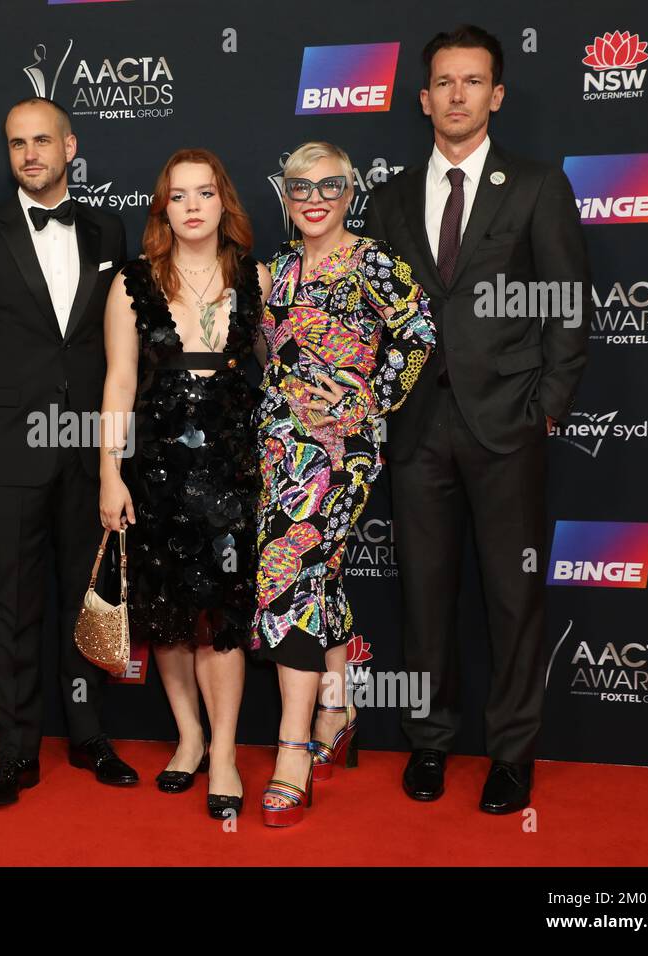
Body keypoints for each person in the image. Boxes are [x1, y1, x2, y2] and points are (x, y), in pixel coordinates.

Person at [364, 24, 590, 813]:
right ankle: (428, 743)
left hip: (507, 427)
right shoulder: (389, 196)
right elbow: (375, 316)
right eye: (444, 83)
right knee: (425, 595)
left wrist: (546, 410)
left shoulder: (535, 185)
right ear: (423, 98)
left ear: (495, 96)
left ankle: (512, 755)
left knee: (512, 598)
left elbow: (566, 305)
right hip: (417, 428)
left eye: (473, 82)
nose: (457, 95)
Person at [0, 97, 135, 808]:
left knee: (84, 603)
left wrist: (120, 454)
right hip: (9, 451)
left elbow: (122, 353)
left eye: (42, 141)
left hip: (86, 450)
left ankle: (87, 736)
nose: (30, 155)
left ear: (70, 146)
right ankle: (16, 752)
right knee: (14, 607)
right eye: (17, 143)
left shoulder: (109, 228)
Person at [255, 142, 435, 826]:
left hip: (340, 451)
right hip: (277, 447)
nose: (314, 198)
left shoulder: (375, 262)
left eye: (329, 185)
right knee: (317, 575)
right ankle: (337, 706)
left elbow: (419, 334)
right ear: (285, 193)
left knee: (285, 575)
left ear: (351, 191)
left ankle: (292, 751)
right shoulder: (274, 268)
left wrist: (370, 397)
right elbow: (266, 352)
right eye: (300, 186)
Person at [99, 149, 267, 820]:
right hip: (157, 469)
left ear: (224, 202)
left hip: (231, 470)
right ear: (162, 208)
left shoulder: (255, 278)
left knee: (221, 619)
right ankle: (189, 736)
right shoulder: (132, 282)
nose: (192, 206)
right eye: (178, 195)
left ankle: (224, 750)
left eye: (204, 193)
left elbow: (280, 371)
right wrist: (108, 474)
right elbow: (115, 384)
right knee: (168, 615)